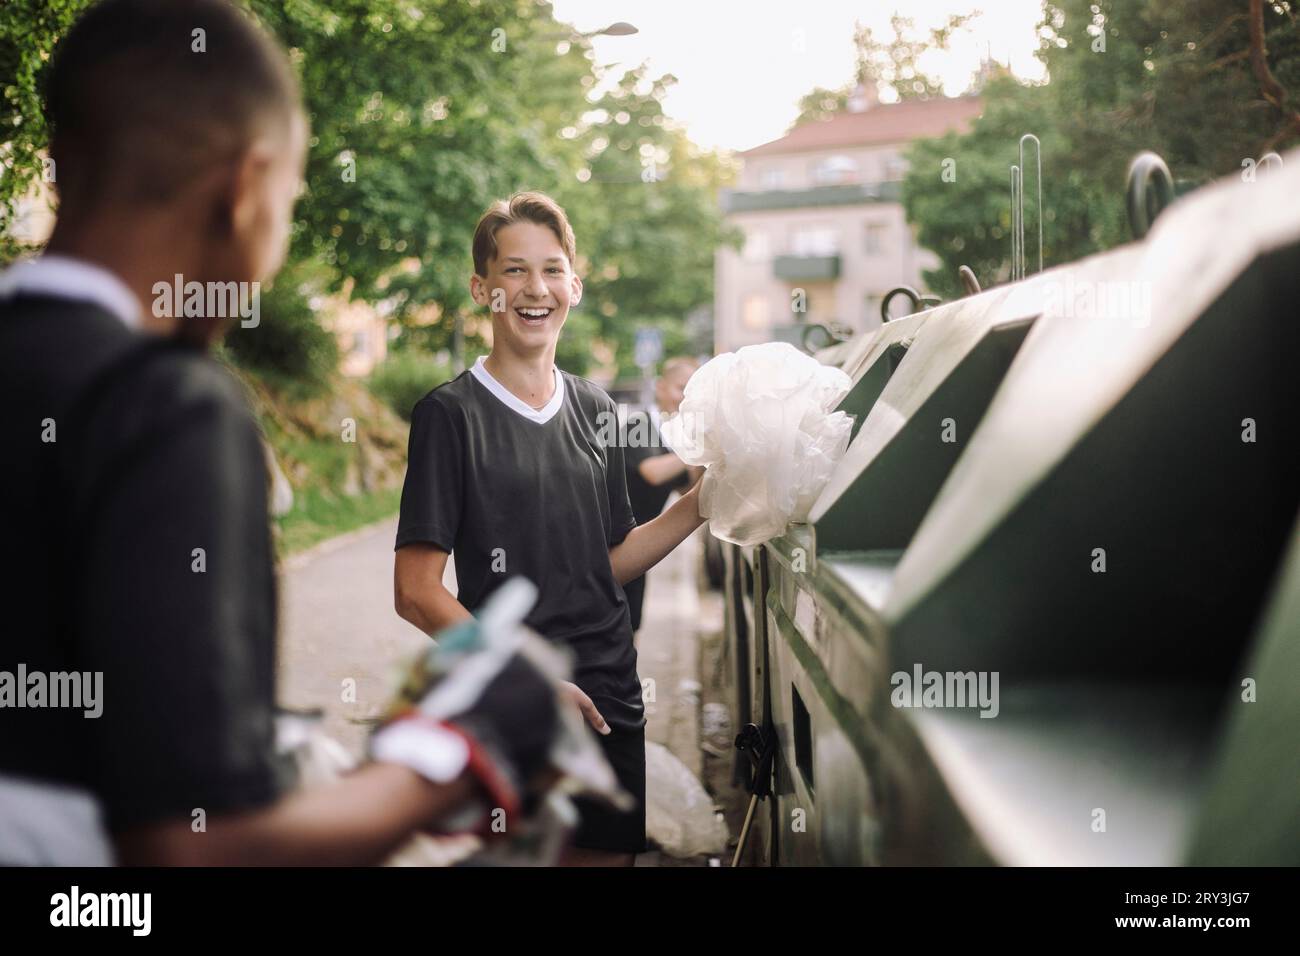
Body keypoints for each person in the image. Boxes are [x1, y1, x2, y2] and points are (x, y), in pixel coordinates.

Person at [0, 0, 562, 866]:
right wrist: (455, 752)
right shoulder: (167, 408)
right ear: (244, 186)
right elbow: (197, 847)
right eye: (290, 195)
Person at [393, 192, 709, 865]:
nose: (534, 288)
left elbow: (609, 561)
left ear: (575, 285)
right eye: (512, 271)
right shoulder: (449, 415)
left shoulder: (596, 407)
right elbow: (416, 591)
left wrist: (697, 506)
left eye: (551, 269)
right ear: (483, 289)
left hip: (609, 692)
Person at [620, 357, 704, 634]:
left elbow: (689, 491)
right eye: (681, 388)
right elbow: (652, 472)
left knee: (633, 625)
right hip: (610, 543)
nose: (684, 399)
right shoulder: (639, 425)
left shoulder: (677, 439)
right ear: (660, 387)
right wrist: (697, 450)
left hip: (639, 546)